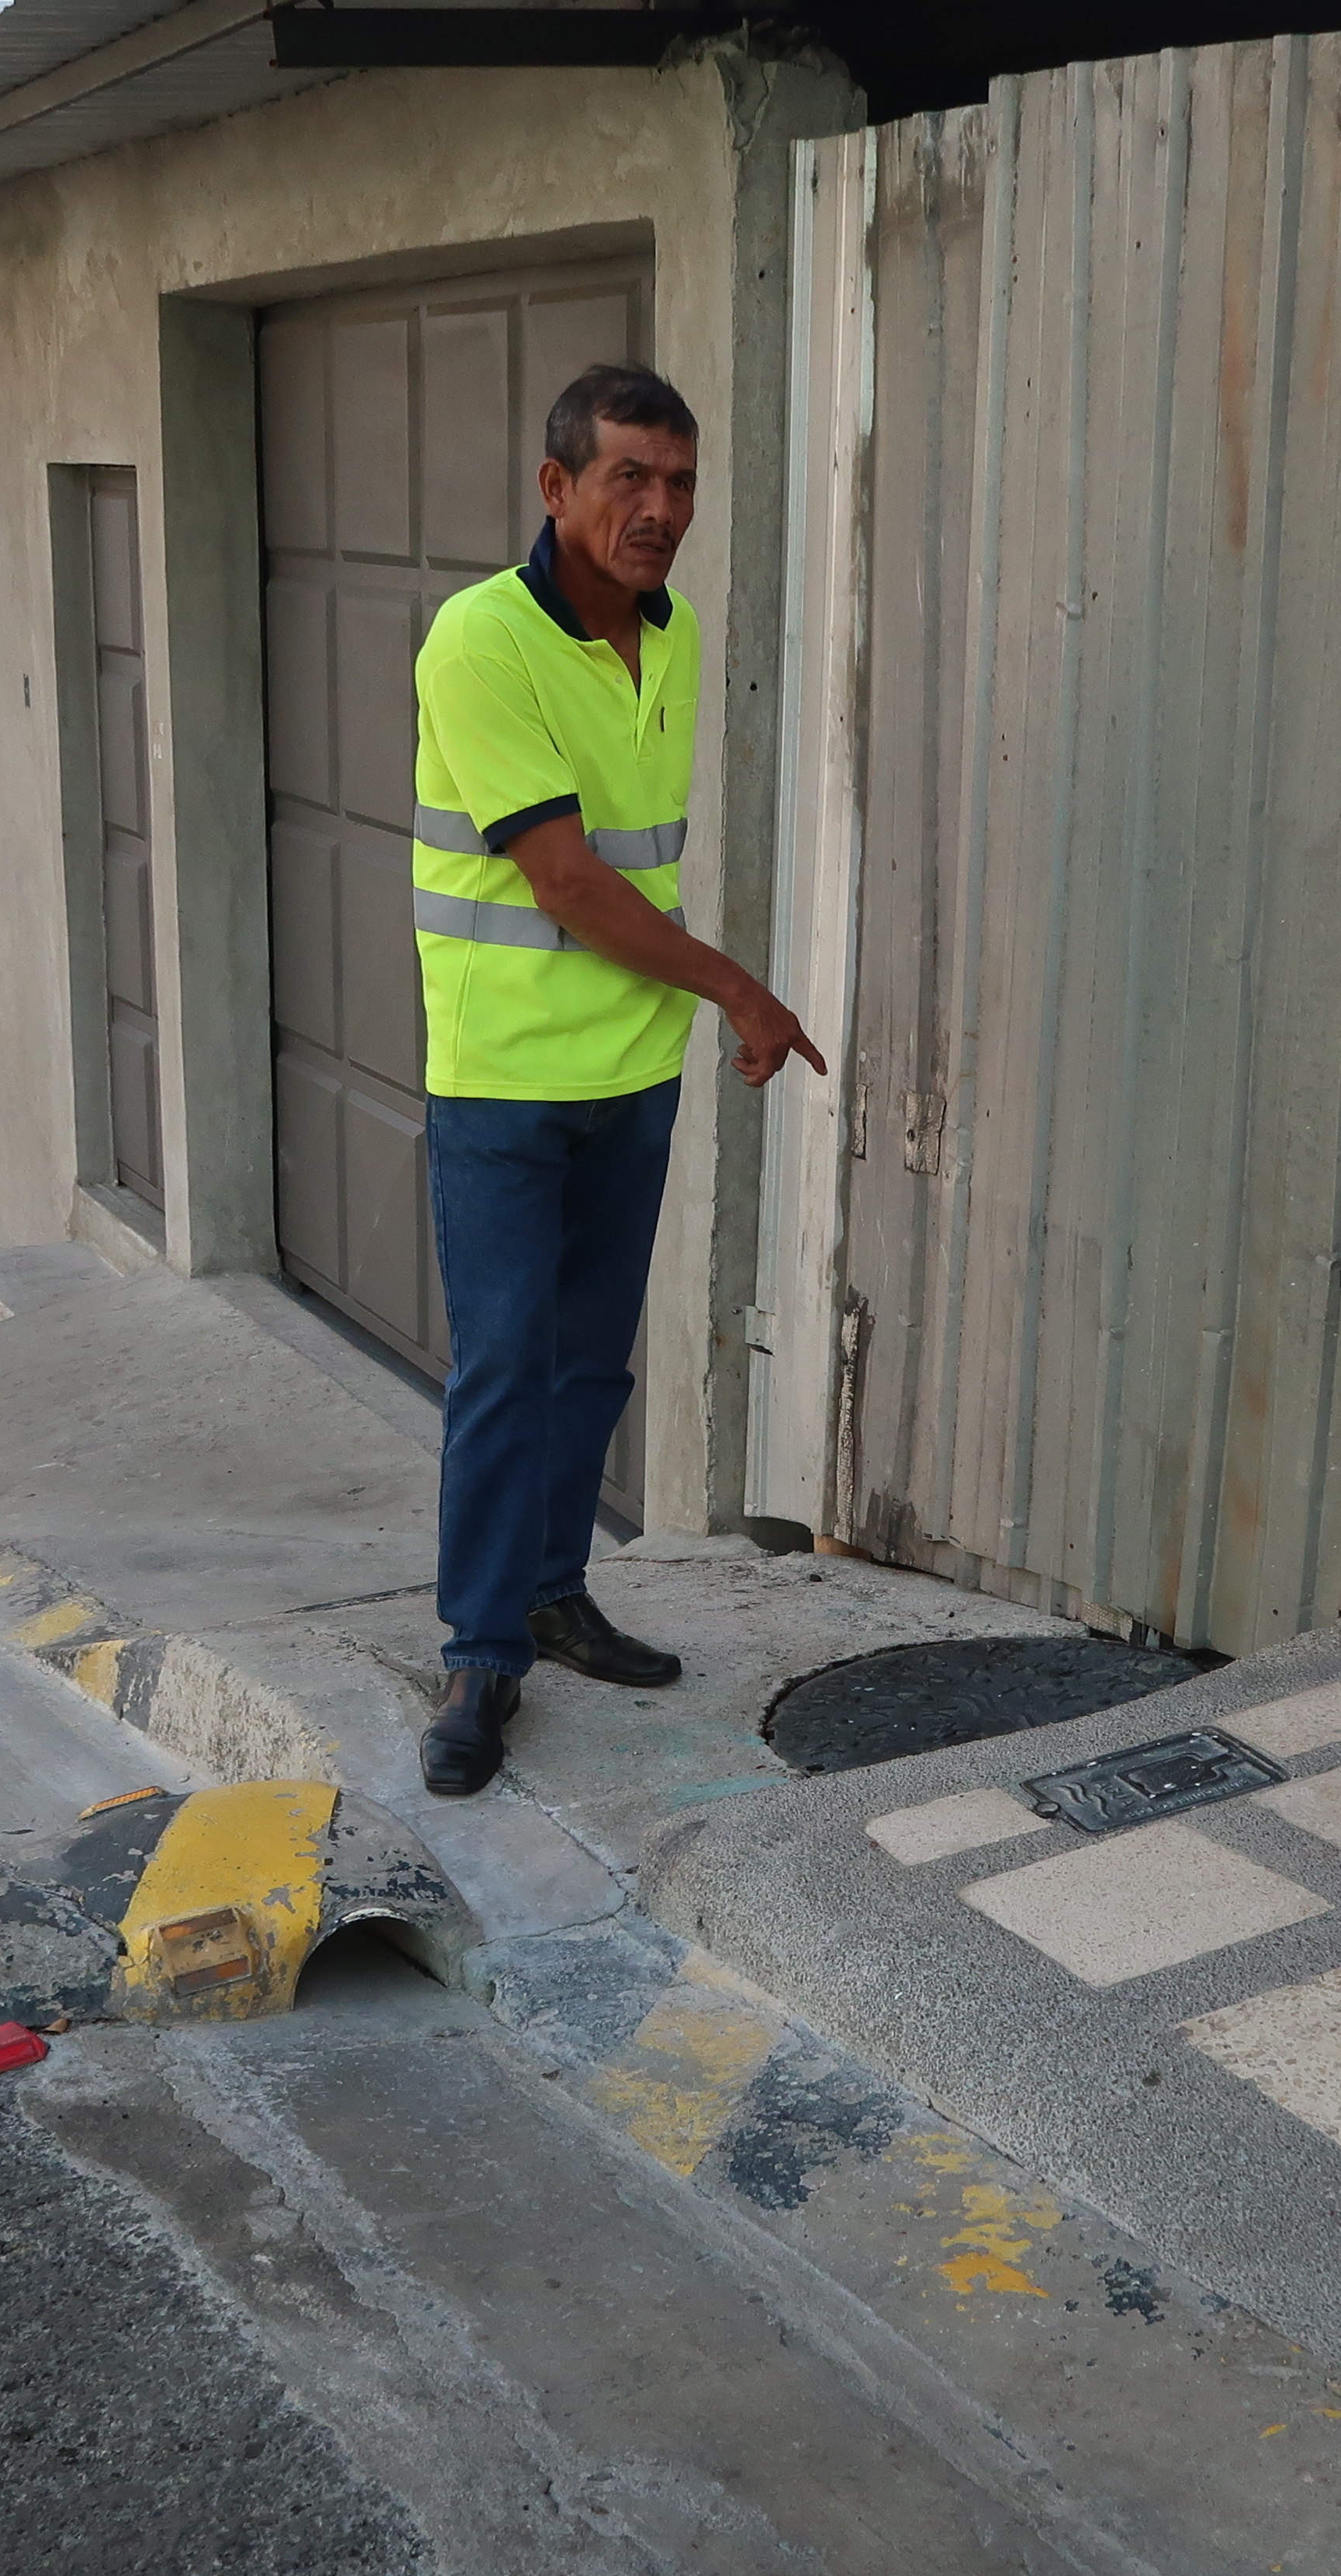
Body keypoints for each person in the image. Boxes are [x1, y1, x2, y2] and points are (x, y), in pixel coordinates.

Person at [406, 362, 826, 1797]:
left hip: (631, 1071)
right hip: (503, 1077)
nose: (660, 508)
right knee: (504, 1367)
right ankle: (478, 1656)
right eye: (628, 478)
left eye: (680, 482)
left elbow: (636, 864)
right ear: (557, 486)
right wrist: (739, 989)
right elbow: (573, 882)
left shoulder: (675, 634)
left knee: (590, 1361)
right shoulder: (481, 639)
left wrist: (689, 1010)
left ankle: (551, 1594)